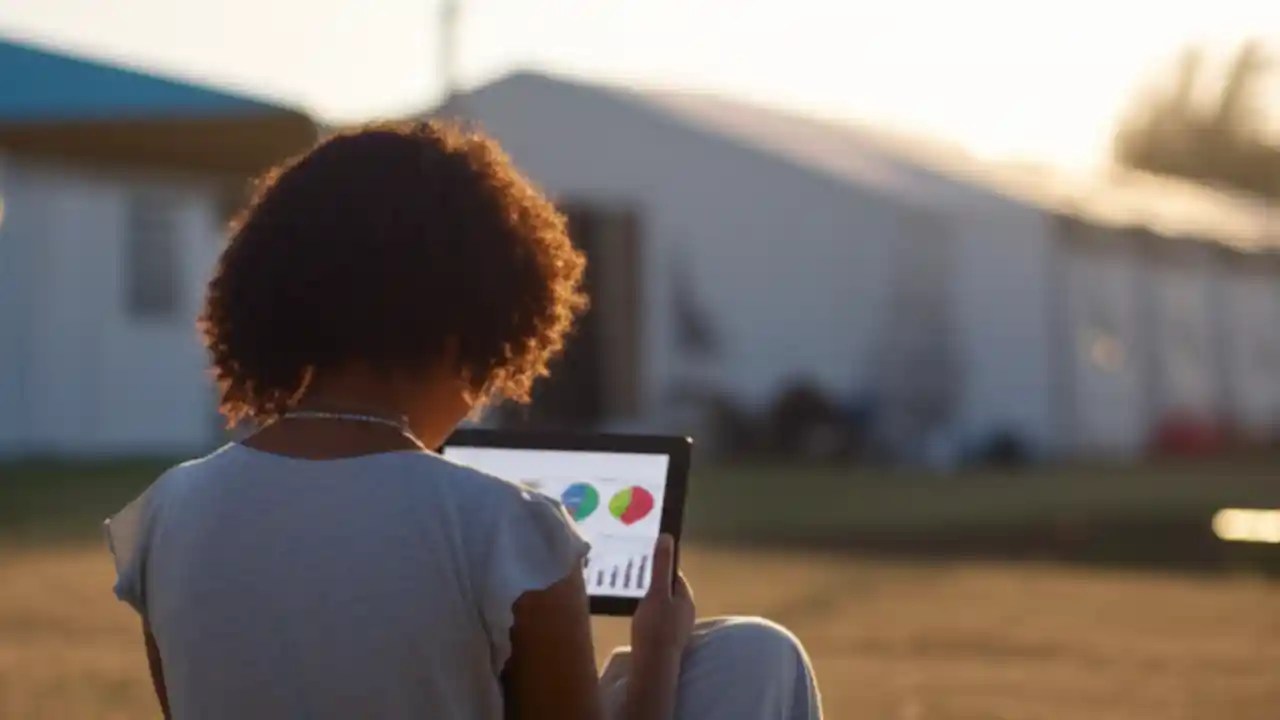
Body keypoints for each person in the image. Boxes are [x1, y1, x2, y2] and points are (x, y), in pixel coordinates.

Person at [104, 121, 822, 720]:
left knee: (745, 649)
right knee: (757, 659)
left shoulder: (167, 512)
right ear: (475, 326)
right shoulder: (510, 527)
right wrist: (658, 651)